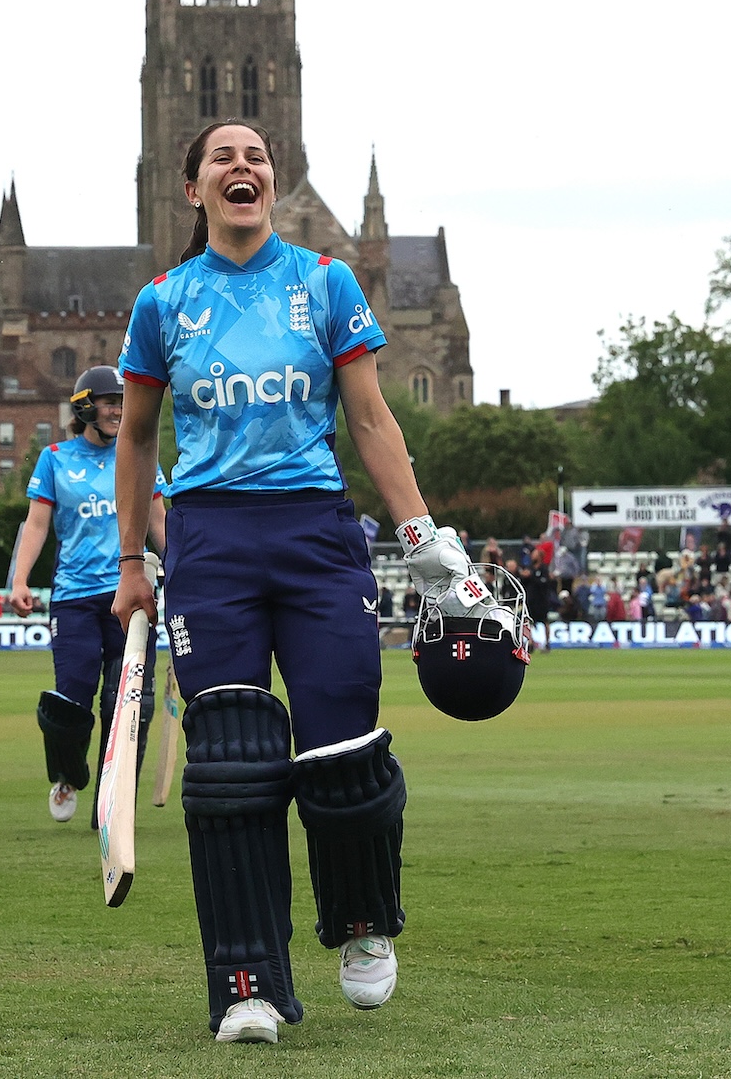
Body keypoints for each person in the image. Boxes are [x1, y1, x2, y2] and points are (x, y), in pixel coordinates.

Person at [111, 119, 520, 1045]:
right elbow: (136, 439)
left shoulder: (326, 283)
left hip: (314, 530)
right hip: (211, 540)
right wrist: (132, 562)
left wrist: (424, 538)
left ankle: (364, 925)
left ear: (273, 178)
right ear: (195, 190)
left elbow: (372, 419)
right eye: (223, 158)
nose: (242, 167)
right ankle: (246, 982)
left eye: (255, 157)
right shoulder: (163, 302)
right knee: (230, 768)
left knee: (344, 743)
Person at [9, 365, 170, 824]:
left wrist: (183, 569)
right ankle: (65, 774)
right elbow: (37, 525)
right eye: (109, 402)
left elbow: (159, 521)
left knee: (127, 700)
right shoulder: (56, 458)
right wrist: (19, 582)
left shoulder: (139, 453)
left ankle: (113, 800)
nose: (118, 409)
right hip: (74, 597)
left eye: (122, 401)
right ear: (85, 407)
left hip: (132, 595)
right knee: (73, 699)